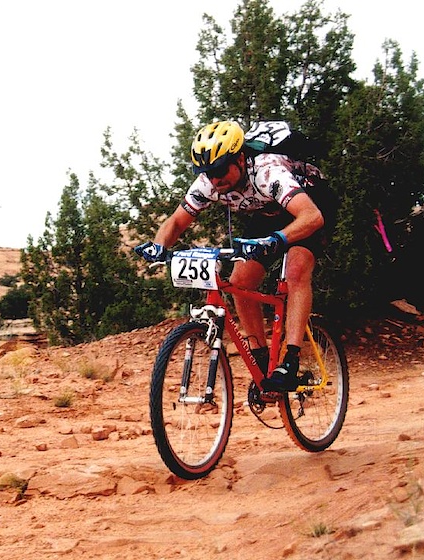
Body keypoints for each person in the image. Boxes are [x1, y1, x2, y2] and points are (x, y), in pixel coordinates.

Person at [135, 120, 332, 393]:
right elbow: (177, 222)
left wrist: (277, 240)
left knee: (297, 267)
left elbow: (312, 217)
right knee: (239, 282)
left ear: (240, 158)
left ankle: (290, 361)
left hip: (309, 204)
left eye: (219, 169)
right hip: (269, 212)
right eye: (207, 172)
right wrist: (158, 246)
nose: (215, 179)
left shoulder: (267, 172)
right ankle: (263, 362)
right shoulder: (209, 183)